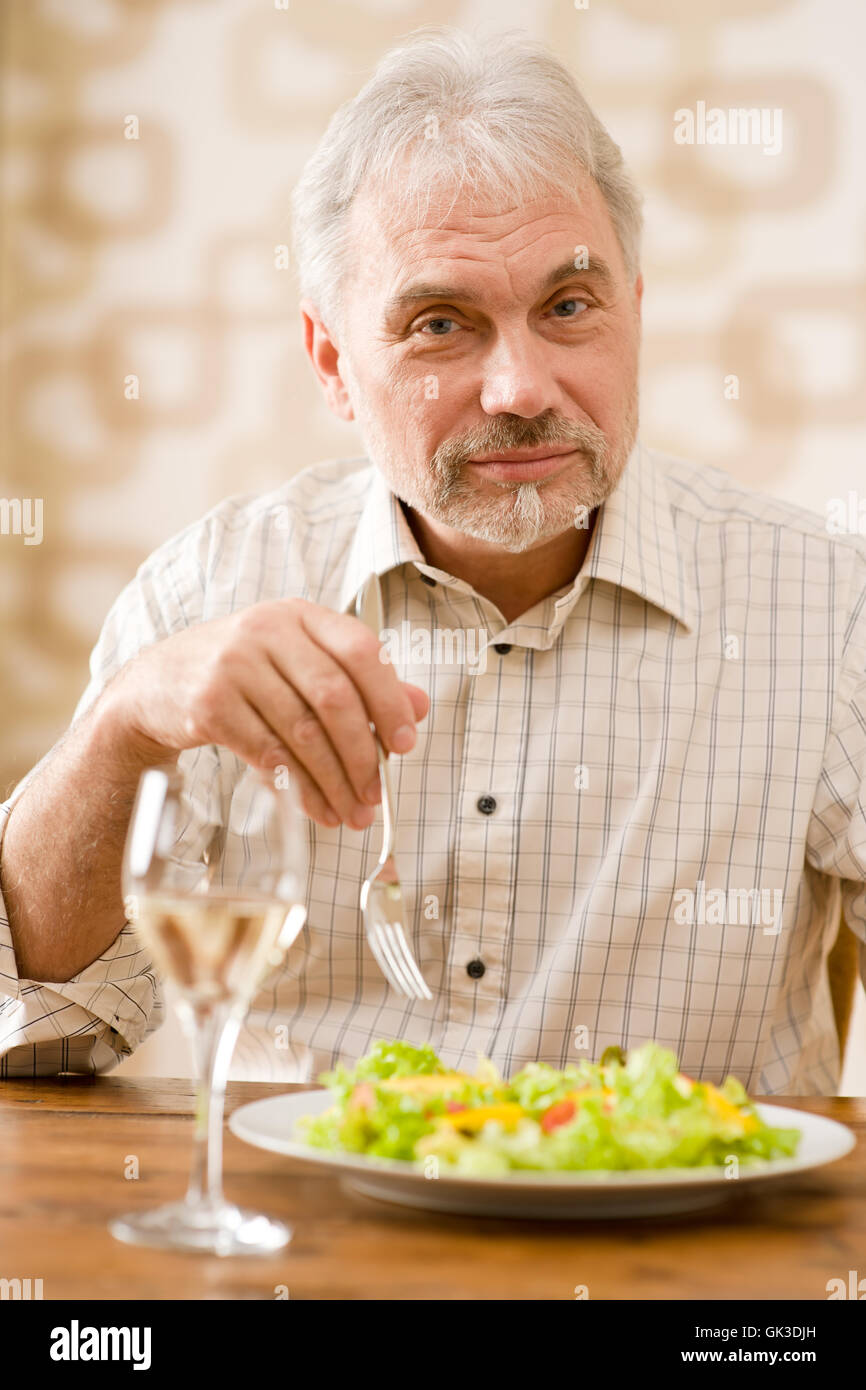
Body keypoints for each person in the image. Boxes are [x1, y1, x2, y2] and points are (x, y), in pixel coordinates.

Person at [1, 27, 864, 1091]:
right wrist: (123, 727)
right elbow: (42, 1033)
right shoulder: (207, 590)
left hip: (682, 1247)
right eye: (440, 323)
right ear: (332, 363)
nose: (519, 389)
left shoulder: (825, 610)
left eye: (566, 306)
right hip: (305, 1245)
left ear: (632, 310)